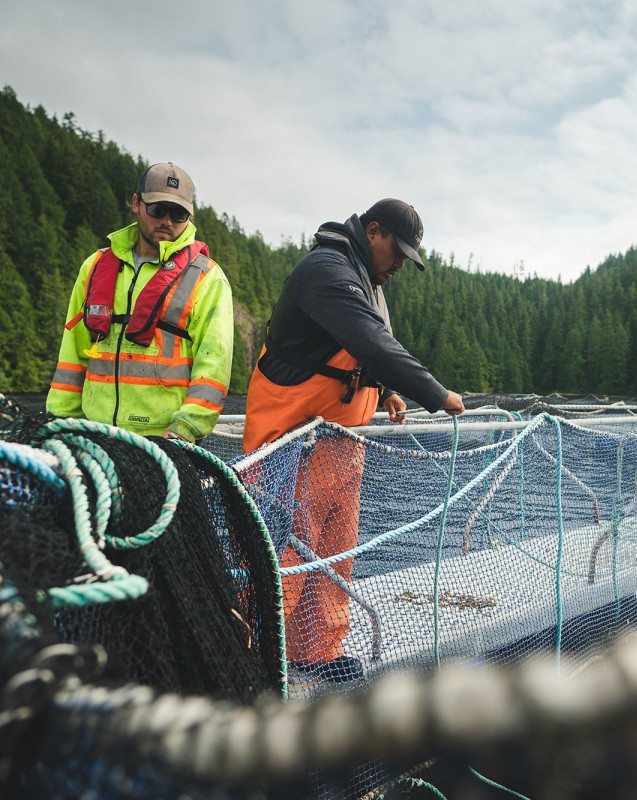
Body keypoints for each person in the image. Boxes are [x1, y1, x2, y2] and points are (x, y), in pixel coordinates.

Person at [243, 198, 464, 682]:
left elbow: (357, 354)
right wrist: (436, 394)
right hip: (294, 441)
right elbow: (372, 342)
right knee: (286, 548)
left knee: (334, 550)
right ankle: (253, 653)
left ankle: (316, 649)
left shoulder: (368, 280)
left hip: (343, 443)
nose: (400, 264)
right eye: (397, 252)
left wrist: (384, 392)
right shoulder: (327, 270)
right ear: (373, 230)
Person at [47, 162, 234, 442]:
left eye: (179, 213)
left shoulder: (207, 277)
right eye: (158, 209)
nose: (167, 221)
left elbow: (214, 365)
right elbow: (72, 356)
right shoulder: (94, 267)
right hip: (95, 436)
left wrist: (186, 428)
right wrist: (61, 422)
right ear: (136, 203)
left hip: (165, 441)